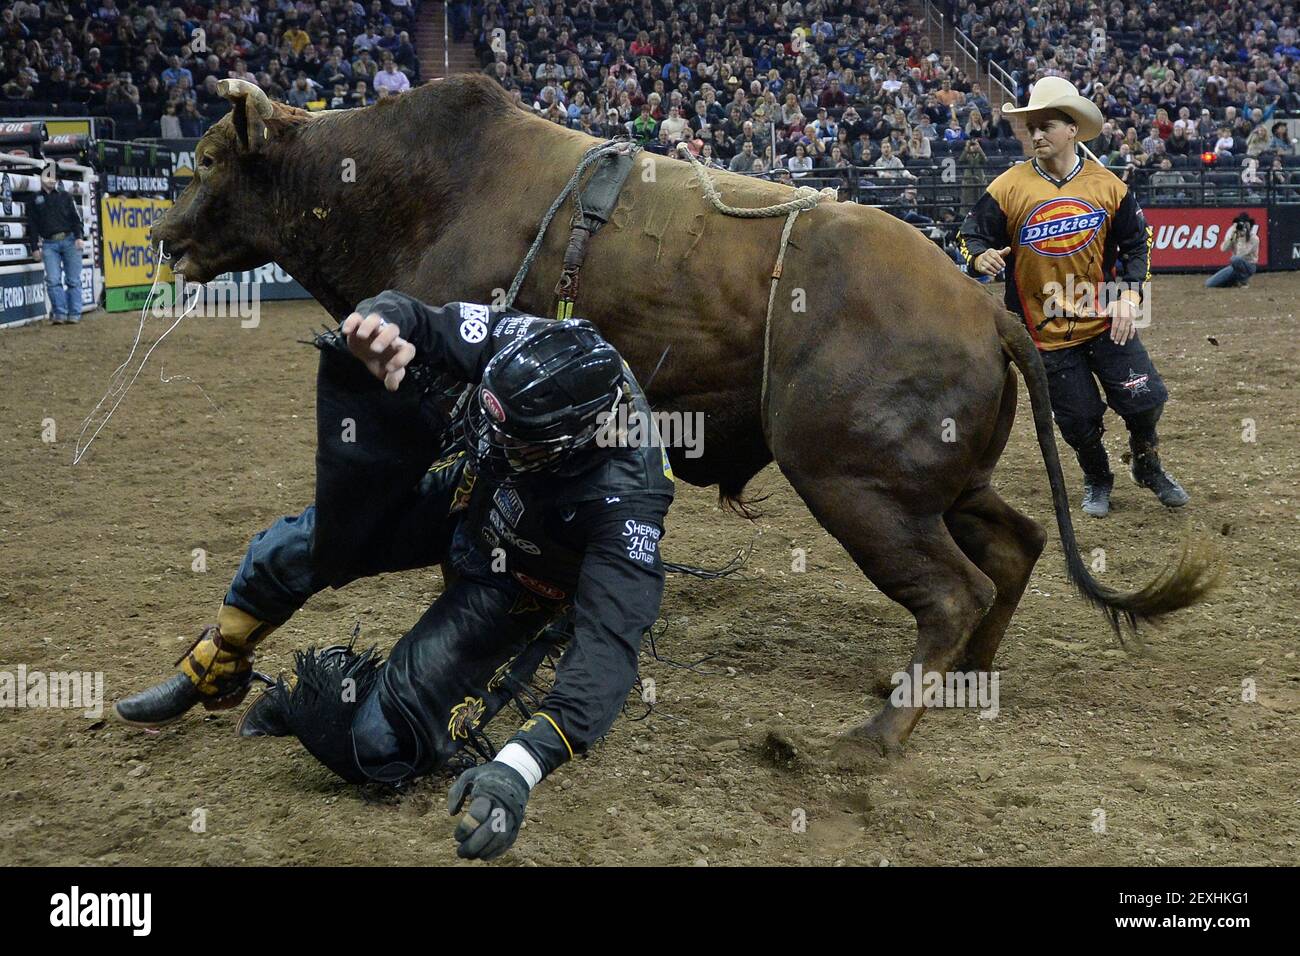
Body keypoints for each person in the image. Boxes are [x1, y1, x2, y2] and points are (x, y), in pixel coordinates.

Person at [114, 297, 675, 861]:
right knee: (295, 548)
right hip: (470, 489)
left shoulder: (628, 505)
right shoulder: (525, 345)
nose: (494, 439)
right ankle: (219, 664)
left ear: (570, 445)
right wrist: (379, 325)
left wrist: (518, 768)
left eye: (519, 440)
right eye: (494, 423)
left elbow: (607, 651)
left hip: (520, 580)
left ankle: (330, 698)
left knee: (379, 744)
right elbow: (418, 315)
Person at [958, 77, 1188, 518]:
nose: (1036, 135)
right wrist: (979, 256)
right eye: (1032, 128)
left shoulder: (1108, 186)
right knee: (1078, 420)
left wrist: (1129, 297)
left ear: (1072, 130)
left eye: (1046, 126)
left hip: (1105, 318)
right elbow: (969, 237)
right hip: (1043, 331)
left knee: (1146, 400)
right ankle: (1098, 476)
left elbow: (1138, 243)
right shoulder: (1007, 188)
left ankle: (1147, 464)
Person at [26, 162, 84, 325]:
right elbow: (32, 225)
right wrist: (34, 247)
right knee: (53, 279)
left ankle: (73, 313)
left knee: (73, 280)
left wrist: (78, 237)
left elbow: (75, 219)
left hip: (69, 239)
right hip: (49, 242)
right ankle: (60, 313)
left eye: (54, 177)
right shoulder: (34, 200)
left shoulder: (66, 197)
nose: (52, 180)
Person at [1205, 211, 1259, 289]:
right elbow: (1223, 249)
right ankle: (1233, 281)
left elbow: (1241, 254)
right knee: (1209, 283)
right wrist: (1231, 237)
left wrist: (1242, 238)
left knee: (1235, 259)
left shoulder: (1254, 238)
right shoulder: (1233, 232)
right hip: (1235, 266)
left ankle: (1243, 281)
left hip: (1249, 266)